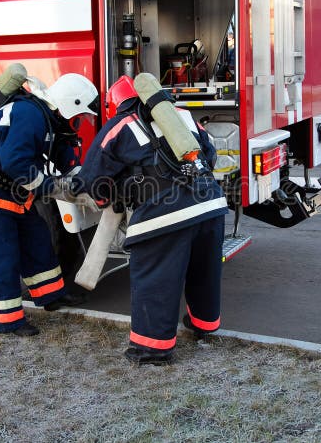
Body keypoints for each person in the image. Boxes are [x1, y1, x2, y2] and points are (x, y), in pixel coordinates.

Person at [70, 74, 228, 364]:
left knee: (155, 278)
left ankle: (151, 349)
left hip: (163, 214)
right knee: (203, 272)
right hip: (211, 205)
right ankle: (205, 325)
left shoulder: (120, 125)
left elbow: (92, 179)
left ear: (116, 104)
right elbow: (210, 155)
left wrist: (108, 199)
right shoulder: (183, 116)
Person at [0, 73, 99, 336]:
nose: (78, 122)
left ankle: (50, 296)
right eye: (79, 115)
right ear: (70, 104)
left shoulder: (49, 116)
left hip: (13, 193)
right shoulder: (29, 115)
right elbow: (15, 163)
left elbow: (61, 147)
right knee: (0, 257)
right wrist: (50, 186)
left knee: (37, 241)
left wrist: (77, 175)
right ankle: (4, 320)